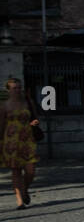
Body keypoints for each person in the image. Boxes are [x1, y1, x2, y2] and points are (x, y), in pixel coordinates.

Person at [1, 77, 40, 209]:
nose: (17, 90)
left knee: (31, 170)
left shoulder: (28, 102)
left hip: (27, 139)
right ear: (8, 90)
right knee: (16, 171)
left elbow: (35, 117)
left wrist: (34, 123)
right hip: (11, 141)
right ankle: (19, 201)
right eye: (14, 88)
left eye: (19, 87)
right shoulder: (4, 105)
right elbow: (1, 125)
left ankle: (24, 190)